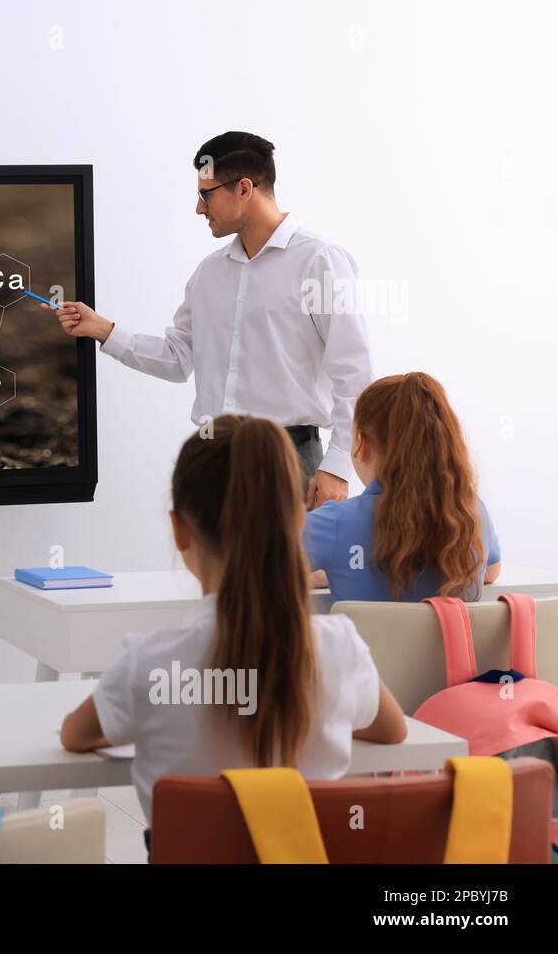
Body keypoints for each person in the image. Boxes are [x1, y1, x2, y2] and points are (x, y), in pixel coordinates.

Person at [60, 415, 406, 841]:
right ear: (298, 524)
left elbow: (75, 735)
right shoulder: (340, 648)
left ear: (179, 531)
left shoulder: (147, 664)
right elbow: (392, 730)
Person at [49, 131, 372, 508]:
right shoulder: (210, 273)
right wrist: (102, 330)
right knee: (217, 569)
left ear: (244, 189)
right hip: (213, 459)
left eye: (206, 194)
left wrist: (337, 466)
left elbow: (354, 372)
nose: (199, 209)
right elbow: (178, 359)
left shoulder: (320, 260)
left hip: (288, 462)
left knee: (287, 569)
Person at [304, 372, 501, 601]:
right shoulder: (473, 513)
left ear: (361, 444)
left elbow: (261, 565)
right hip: (449, 639)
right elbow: (492, 571)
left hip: (367, 638)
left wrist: (333, 567)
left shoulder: (333, 522)